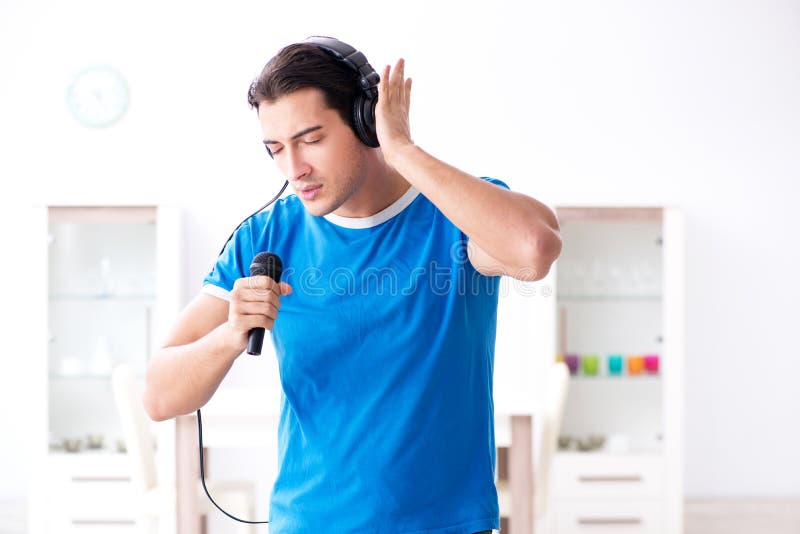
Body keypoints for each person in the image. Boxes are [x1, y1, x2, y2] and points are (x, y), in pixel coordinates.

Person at [144, 36, 561, 534]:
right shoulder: (267, 236)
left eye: (311, 139)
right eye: (276, 149)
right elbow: (158, 396)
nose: (294, 168)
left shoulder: (453, 216)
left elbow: (535, 249)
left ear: (366, 122)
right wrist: (230, 334)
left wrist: (402, 149)